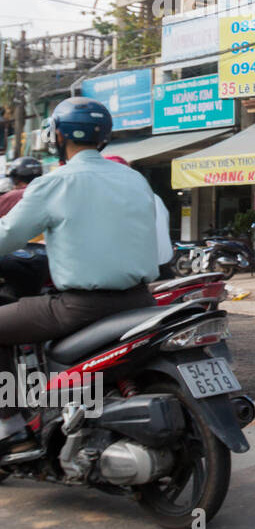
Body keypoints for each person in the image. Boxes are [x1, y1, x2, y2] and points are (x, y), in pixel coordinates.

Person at [0, 98, 159, 452]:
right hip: (143, 300)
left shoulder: (53, 184)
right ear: (104, 136)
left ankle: (11, 427)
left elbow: (7, 236)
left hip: (81, 307)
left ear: (58, 135)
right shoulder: (135, 180)